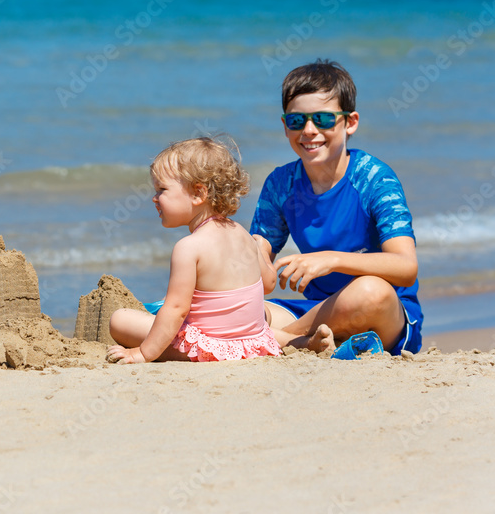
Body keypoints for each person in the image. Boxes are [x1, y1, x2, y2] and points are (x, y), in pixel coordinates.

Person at [250, 59, 423, 355]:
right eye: (296, 121)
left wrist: (331, 259)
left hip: (383, 315)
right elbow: (258, 254)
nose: (308, 130)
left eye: (324, 120)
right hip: (313, 313)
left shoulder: (374, 178)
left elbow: (406, 267)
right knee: (246, 309)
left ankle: (280, 341)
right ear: (285, 126)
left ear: (350, 122)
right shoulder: (281, 183)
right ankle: (296, 338)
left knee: (371, 292)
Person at [107, 137, 332, 365]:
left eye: (162, 189)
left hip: (213, 347)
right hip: (252, 342)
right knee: (262, 331)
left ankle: (168, 353)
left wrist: (143, 353)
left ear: (198, 194)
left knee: (120, 320)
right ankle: (301, 343)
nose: (154, 198)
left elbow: (176, 310)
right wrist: (260, 249)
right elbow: (268, 284)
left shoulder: (188, 247)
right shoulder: (243, 234)